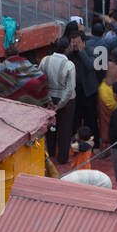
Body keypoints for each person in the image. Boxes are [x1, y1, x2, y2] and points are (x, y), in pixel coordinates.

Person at [39, 37, 77, 166]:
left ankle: (49, 153)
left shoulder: (45, 60)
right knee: (65, 129)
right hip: (66, 101)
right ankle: (62, 157)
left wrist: (49, 100)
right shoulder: (69, 65)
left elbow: (41, 81)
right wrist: (60, 104)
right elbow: (70, 89)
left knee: (49, 127)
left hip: (49, 97)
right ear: (66, 49)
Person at [97, 47, 117, 147]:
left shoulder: (108, 64)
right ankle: (111, 143)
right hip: (114, 94)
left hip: (103, 91)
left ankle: (104, 143)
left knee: (103, 119)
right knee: (113, 120)